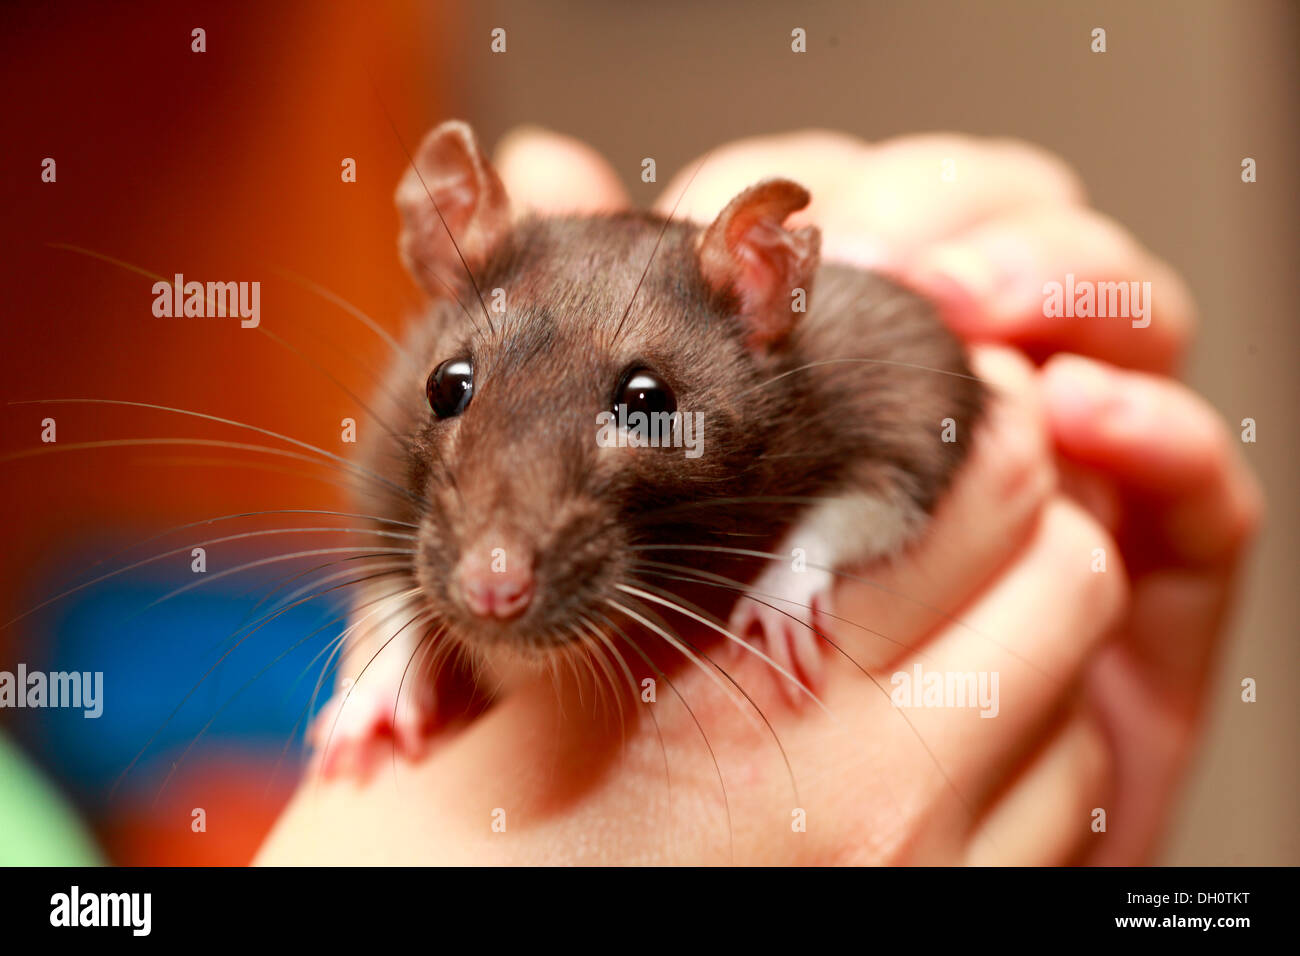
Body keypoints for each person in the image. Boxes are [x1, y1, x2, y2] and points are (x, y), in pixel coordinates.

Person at [256, 129, 1261, 865]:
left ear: (763, 283)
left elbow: (928, 395)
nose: (492, 574)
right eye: (455, 391)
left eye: (640, 404)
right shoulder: (442, 373)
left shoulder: (835, 364)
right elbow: (392, 510)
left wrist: (815, 550)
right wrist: (387, 640)